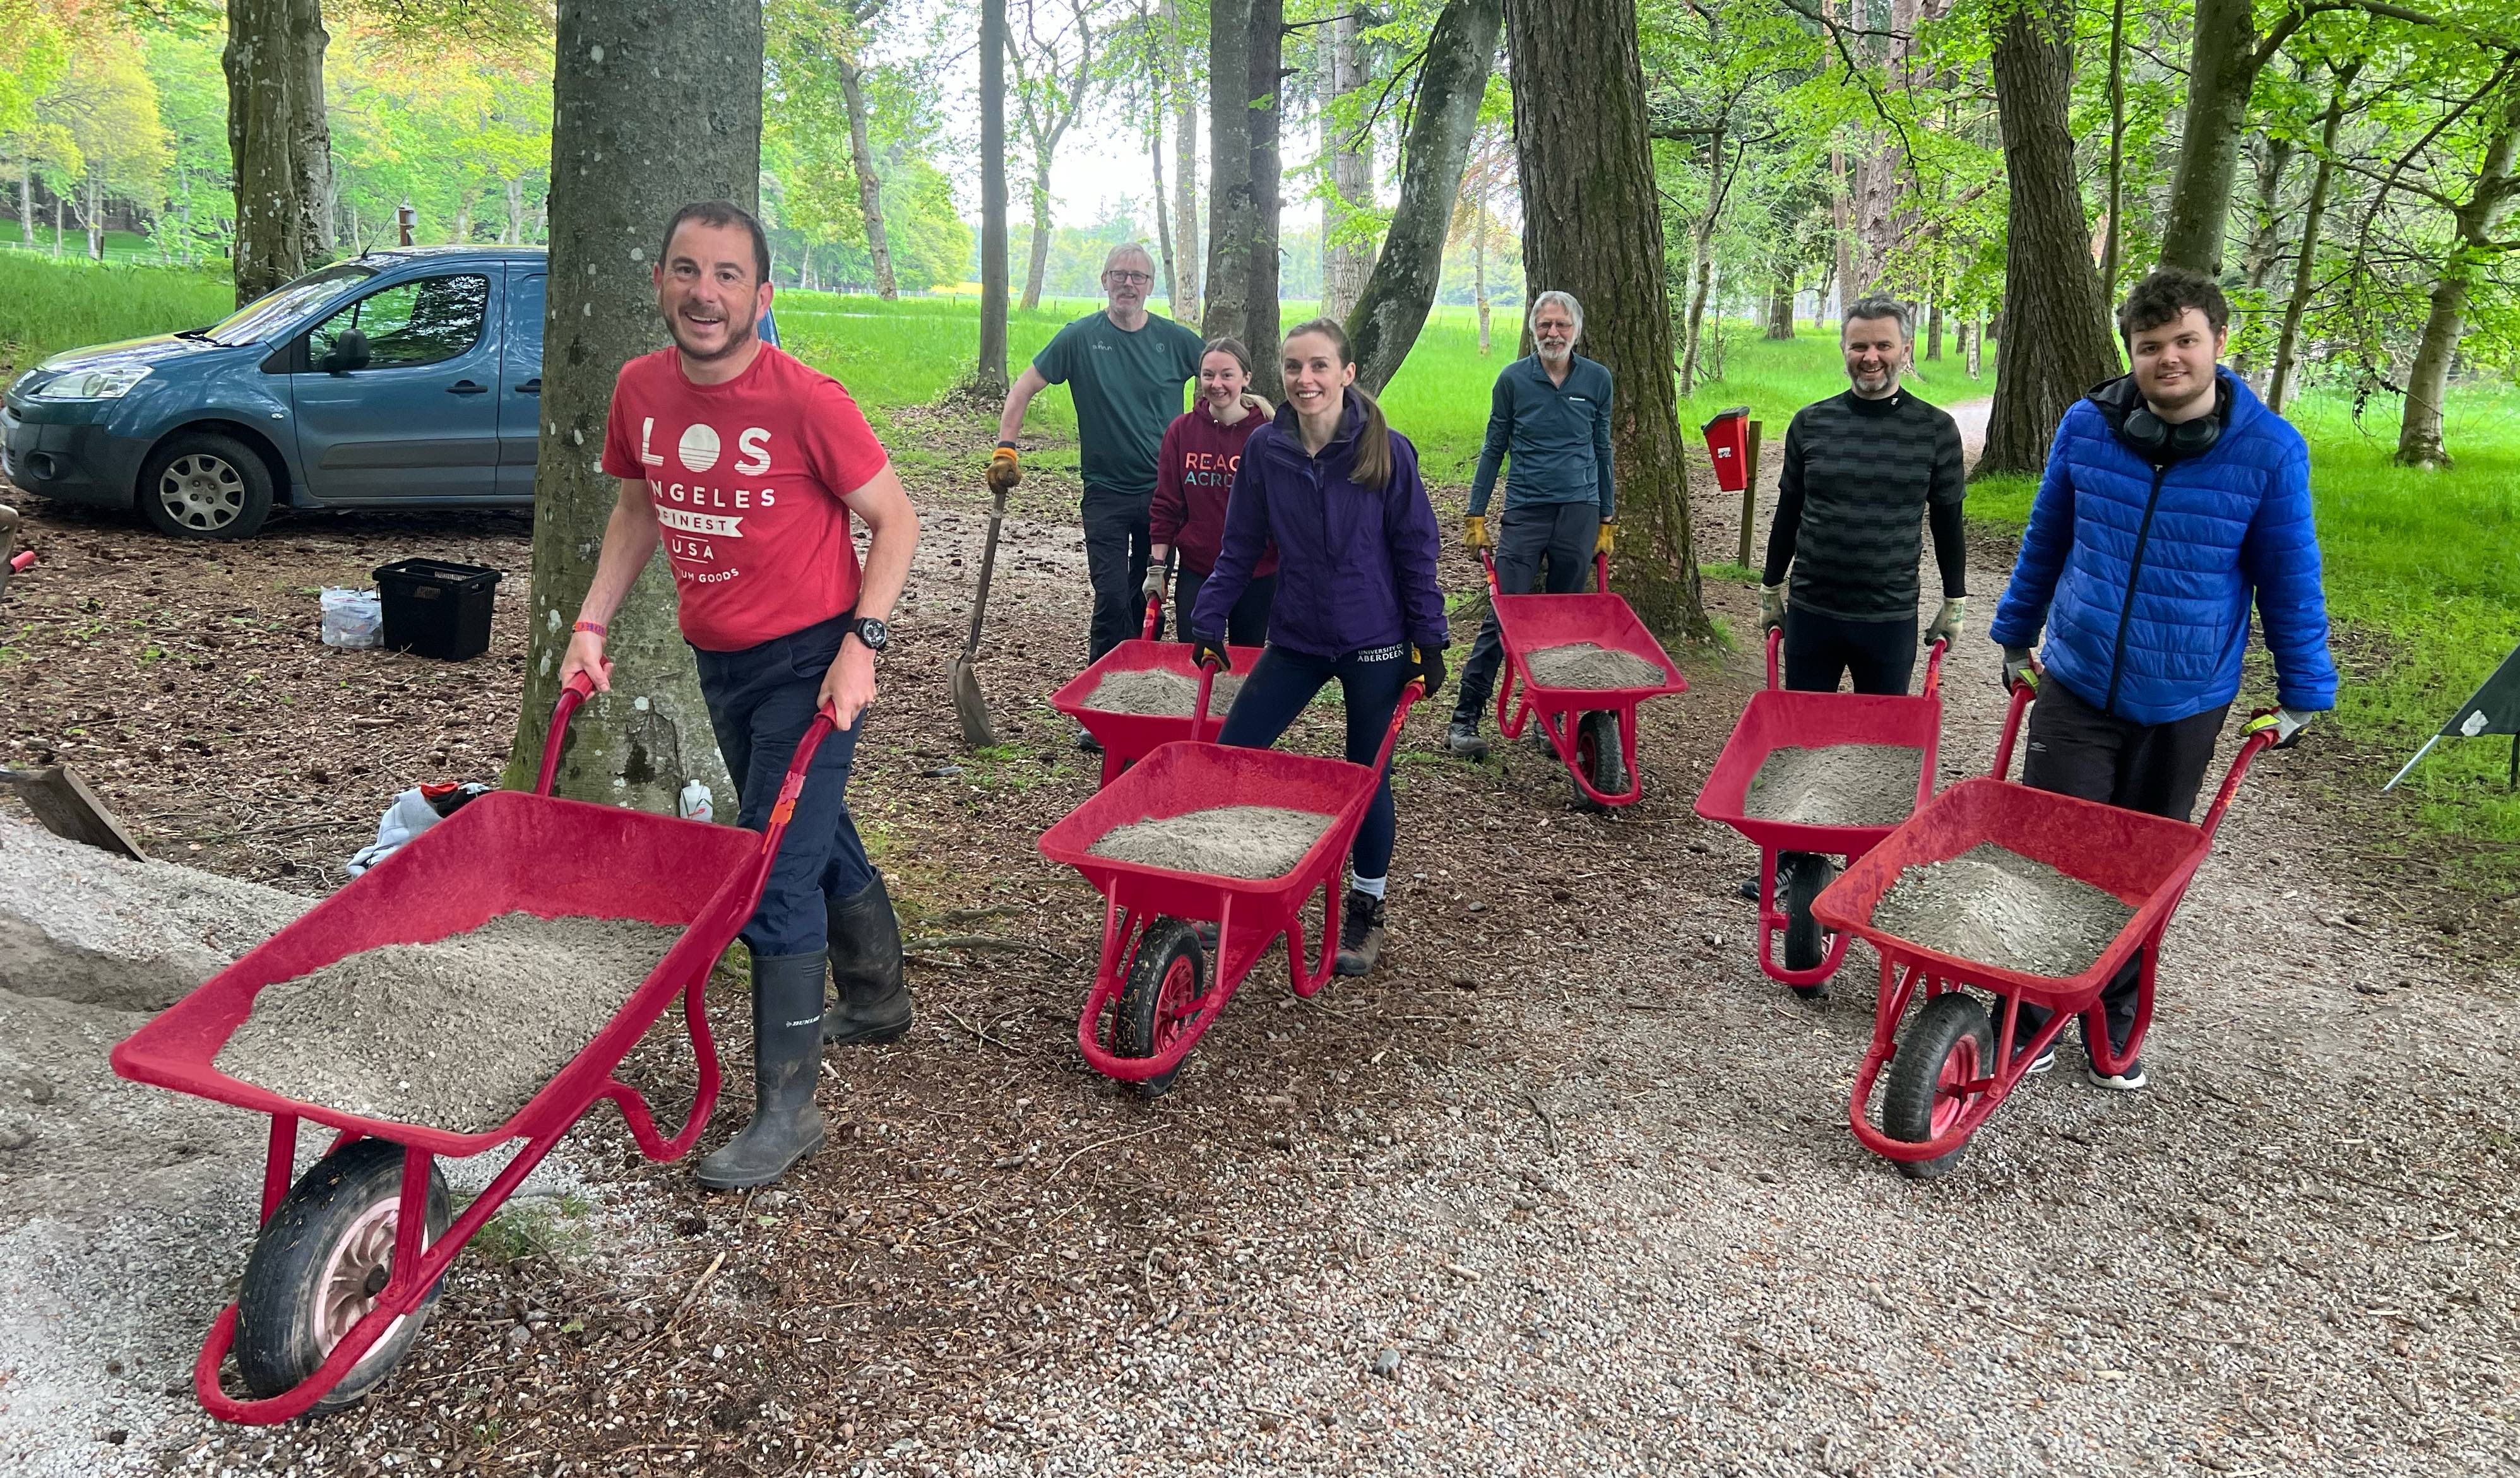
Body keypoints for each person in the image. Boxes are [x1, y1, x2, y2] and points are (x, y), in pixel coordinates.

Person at [567, 200, 921, 1190]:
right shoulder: (640, 389)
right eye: (687, 270)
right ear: (661, 284)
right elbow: (638, 506)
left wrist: (864, 644)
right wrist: (590, 622)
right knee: (804, 827)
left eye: (727, 275)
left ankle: (786, 1109)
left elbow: (896, 520)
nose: (704, 292)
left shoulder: (810, 399)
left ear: (761, 295)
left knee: (772, 863)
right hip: (719, 662)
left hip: (812, 664)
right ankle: (878, 997)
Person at [1990, 266, 2336, 1090]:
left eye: (2186, 340)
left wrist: (2303, 690)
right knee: (2052, 848)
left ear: (2220, 341)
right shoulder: (2088, 425)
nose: (2169, 358)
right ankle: (2028, 1006)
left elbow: (2290, 574)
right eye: (2151, 346)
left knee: (2138, 865)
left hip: (2184, 697)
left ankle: (2113, 1013)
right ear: (2132, 354)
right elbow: (2047, 537)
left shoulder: (2269, 450)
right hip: (2076, 675)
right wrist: (2014, 634)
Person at [1189, 318, 1447, 978]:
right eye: (1294, 367)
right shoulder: (1265, 452)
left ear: (1347, 373)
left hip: (1374, 642)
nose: (1306, 379)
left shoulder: (1386, 451)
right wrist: (1211, 612)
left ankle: (1367, 906)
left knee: (1365, 777)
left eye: (1320, 366)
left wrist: (1427, 638)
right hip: (1298, 637)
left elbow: (1415, 549)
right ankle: (1240, 887)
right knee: (1231, 755)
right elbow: (1242, 544)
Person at [1738, 295, 1968, 913]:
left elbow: (1947, 521)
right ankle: (1790, 859)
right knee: (1799, 740)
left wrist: (1954, 598)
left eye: (1882, 345)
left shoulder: (1934, 430)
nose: (1870, 356)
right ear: (1843, 349)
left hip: (1887, 617)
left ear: (1903, 349)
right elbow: (1788, 508)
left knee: (1878, 754)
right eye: (1858, 345)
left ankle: (1865, 868)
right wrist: (1770, 585)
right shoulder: (1811, 424)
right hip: (1814, 607)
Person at [989, 243, 1206, 749]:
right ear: (1104, 280)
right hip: (1105, 494)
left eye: (1139, 276)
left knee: (1146, 596)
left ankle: (1147, 706)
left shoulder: (1176, 341)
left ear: (1152, 285)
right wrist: (1006, 449)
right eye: (1119, 275)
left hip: (1164, 497)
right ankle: (1102, 710)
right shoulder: (1080, 338)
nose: (1128, 284)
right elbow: (1022, 389)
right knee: (1111, 599)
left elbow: (1226, 382)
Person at [1444, 291, 1617, 759]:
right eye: (1544, 325)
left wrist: (1606, 516)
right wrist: (1475, 513)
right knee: (1505, 616)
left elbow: (1603, 449)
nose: (1552, 333)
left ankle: (1551, 717)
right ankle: (1465, 719)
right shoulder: (1513, 380)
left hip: (1579, 514)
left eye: (1561, 325)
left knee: (1563, 623)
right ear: (1532, 329)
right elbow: (1493, 446)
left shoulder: (1598, 380)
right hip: (1525, 512)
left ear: (1576, 330)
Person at [1146, 337, 1275, 645]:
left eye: (1227, 375)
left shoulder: (1269, 435)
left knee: (1247, 664)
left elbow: (1285, 510)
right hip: (1200, 568)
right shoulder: (1182, 431)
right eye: (1208, 375)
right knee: (1193, 656)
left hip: (1257, 572)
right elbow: (1167, 504)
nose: (1217, 384)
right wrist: (1156, 568)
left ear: (1246, 378)